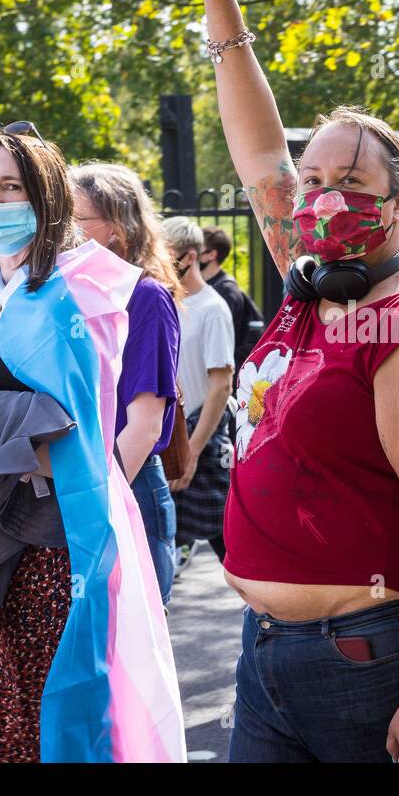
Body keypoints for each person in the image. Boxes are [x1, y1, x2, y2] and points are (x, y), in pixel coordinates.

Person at [202, 0, 399, 763]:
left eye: (352, 184)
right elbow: (259, 148)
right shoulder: (310, 279)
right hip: (263, 659)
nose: (324, 199)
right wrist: (222, 7)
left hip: (370, 663)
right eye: (316, 183)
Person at [0, 124, 183, 762]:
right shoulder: (3, 296)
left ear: (47, 200)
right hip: (0, 561)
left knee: (30, 735)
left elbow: (72, 448)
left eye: (12, 187)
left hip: (45, 569)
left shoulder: (67, 302)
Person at [71, 162, 183, 605]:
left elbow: (145, 427)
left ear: (116, 228)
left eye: (75, 220)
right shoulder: (73, 293)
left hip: (124, 486)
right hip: (87, 483)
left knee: (132, 655)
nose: (62, 231)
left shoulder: (145, 296)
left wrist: (98, 503)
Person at [161, 215, 235, 569]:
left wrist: (191, 451)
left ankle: (268, 616)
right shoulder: (164, 303)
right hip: (168, 433)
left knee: (230, 549)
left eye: (166, 253)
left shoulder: (213, 308)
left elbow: (222, 385)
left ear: (190, 257)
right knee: (164, 542)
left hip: (201, 439)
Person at [200, 225, 264, 370]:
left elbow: (220, 341)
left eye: (198, 248)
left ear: (211, 254)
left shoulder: (226, 291)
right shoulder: (213, 286)